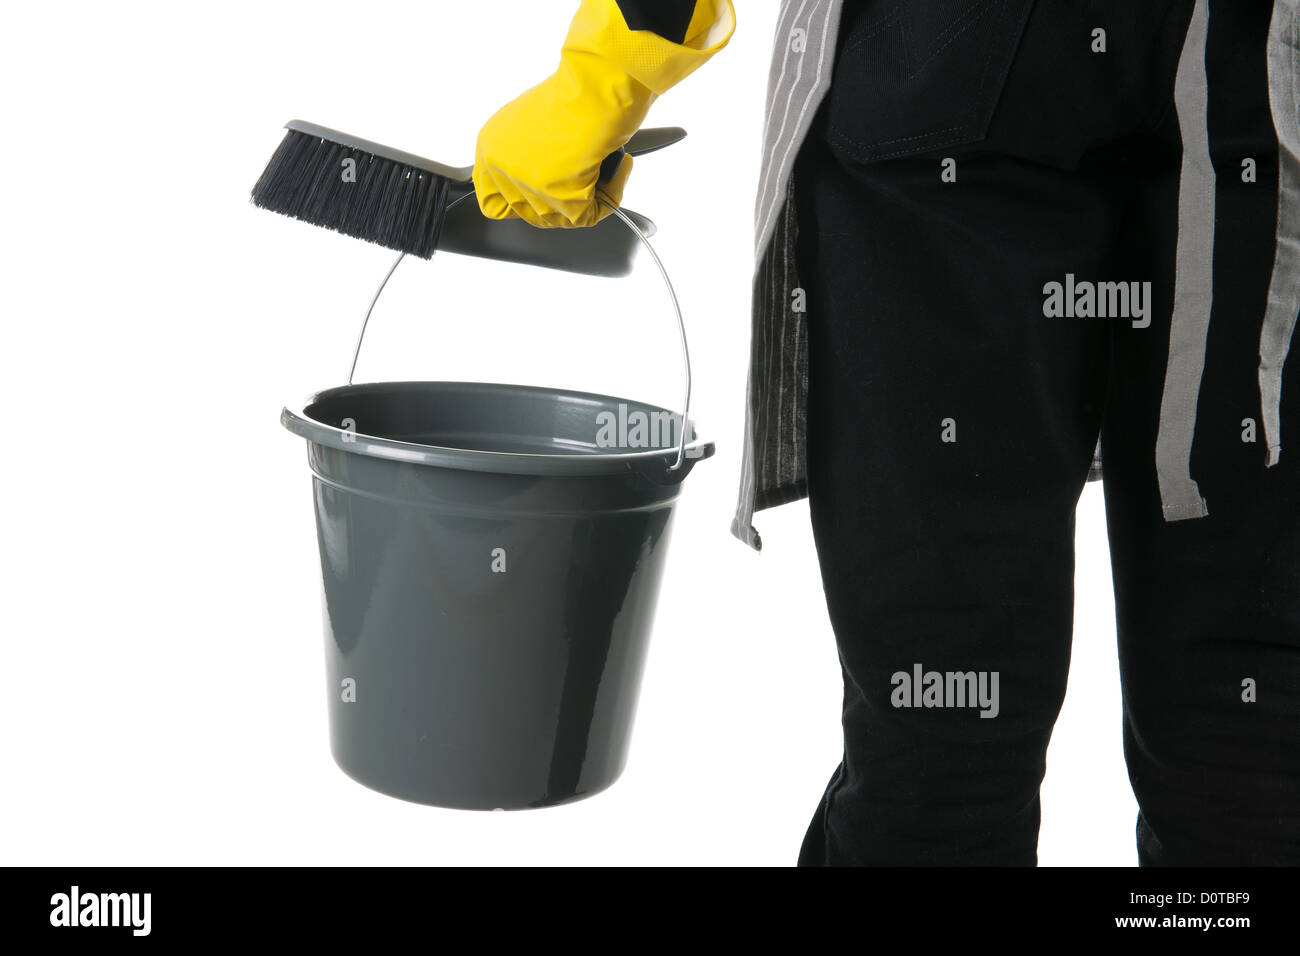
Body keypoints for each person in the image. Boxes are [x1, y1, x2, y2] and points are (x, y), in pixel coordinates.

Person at [473, 0, 1300, 866]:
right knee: (1247, 730)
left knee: (945, 726)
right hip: (1259, 84)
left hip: (957, 69)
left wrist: (607, 70)